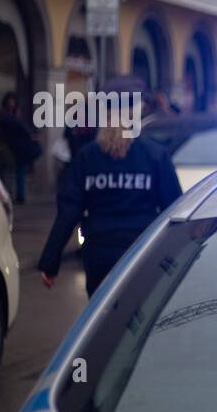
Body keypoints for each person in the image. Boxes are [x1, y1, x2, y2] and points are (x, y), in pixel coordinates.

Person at [39, 121, 183, 297]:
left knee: (101, 312)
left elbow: (68, 212)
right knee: (139, 307)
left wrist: (50, 262)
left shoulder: (88, 156)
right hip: (141, 247)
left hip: (99, 250)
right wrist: (180, 254)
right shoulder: (153, 154)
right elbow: (174, 208)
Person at [0, 92, 42, 204]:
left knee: (19, 171)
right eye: (10, 100)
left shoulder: (15, 115)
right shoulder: (5, 115)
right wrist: (30, 134)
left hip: (19, 148)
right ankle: (10, 195)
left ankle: (19, 196)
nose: (12, 103)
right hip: (10, 148)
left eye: (13, 101)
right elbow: (17, 126)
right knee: (10, 172)